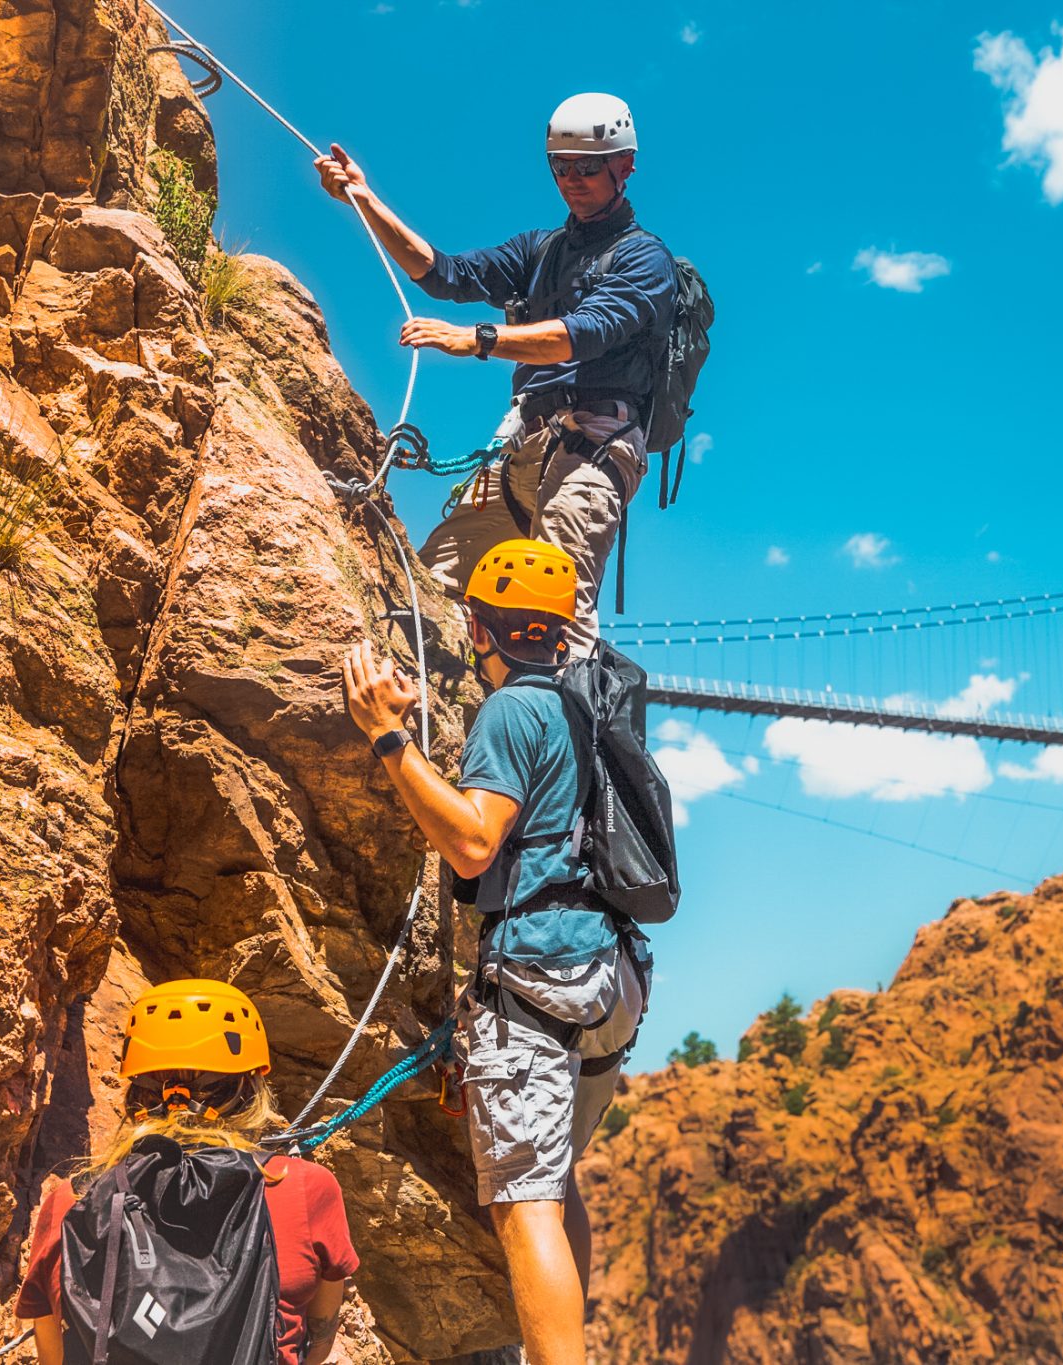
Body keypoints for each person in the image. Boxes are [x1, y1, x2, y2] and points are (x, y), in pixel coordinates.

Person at [341, 537, 651, 1365]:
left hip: (540, 979)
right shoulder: (587, 708)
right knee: (556, 1182)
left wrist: (388, 738)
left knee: (524, 1204)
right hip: (610, 980)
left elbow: (474, 843)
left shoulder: (513, 709)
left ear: (478, 627)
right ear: (556, 631)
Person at [313, 93, 678, 654]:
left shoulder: (645, 260)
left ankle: (562, 731)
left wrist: (477, 339)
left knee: (553, 607)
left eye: (586, 166)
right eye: (560, 166)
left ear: (624, 165)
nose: (571, 179)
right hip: (525, 447)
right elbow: (443, 273)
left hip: (595, 447)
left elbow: (579, 334)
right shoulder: (540, 250)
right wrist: (363, 200)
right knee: (437, 582)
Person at [17, 979, 358, 1365]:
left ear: (137, 1092)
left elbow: (53, 1354)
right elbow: (320, 1338)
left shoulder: (74, 1199)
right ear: (247, 1089)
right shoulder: (305, 1188)